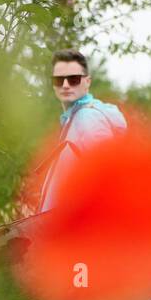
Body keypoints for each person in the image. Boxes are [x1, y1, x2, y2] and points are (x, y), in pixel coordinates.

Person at [37, 49, 127, 211]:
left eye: (73, 79)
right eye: (58, 80)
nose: (65, 85)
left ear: (87, 82)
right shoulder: (75, 118)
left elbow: (104, 180)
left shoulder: (87, 118)